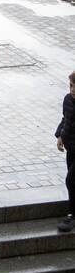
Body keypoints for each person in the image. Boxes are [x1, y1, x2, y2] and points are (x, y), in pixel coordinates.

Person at [55, 70, 75, 233]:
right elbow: (65, 119)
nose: (73, 89)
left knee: (71, 180)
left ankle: (72, 216)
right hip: (71, 148)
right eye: (71, 85)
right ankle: (71, 213)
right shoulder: (68, 100)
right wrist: (60, 136)